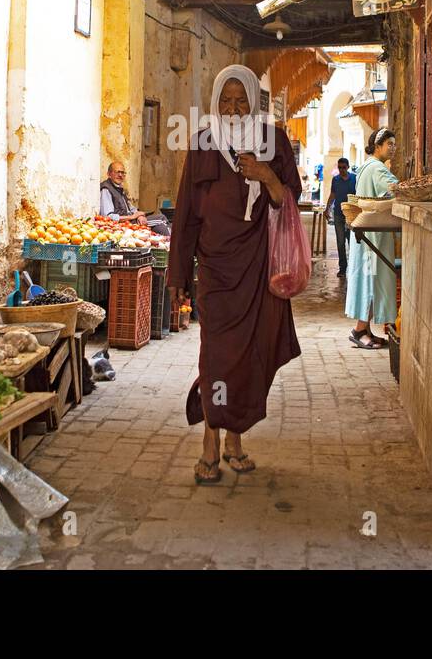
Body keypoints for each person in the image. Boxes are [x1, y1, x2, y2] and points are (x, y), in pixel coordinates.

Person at [167, 65, 301, 485]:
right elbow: (186, 215)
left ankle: (234, 441)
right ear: (214, 103)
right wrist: (177, 276)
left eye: (241, 99)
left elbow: (290, 199)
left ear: (254, 102)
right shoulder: (203, 143)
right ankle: (211, 439)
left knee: (249, 355)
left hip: (258, 268)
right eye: (225, 100)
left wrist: (267, 176)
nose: (233, 108)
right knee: (217, 354)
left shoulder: (273, 140)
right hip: (216, 271)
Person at [345, 129, 400, 349]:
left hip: (368, 233)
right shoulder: (377, 168)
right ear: (377, 145)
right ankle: (359, 330)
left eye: (395, 144)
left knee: (369, 279)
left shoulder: (367, 166)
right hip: (373, 236)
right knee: (370, 280)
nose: (393, 148)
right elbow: (395, 189)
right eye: (390, 144)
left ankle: (365, 329)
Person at [99, 161, 171, 235]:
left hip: (131, 220)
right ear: (109, 174)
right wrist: (132, 217)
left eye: (123, 173)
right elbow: (107, 216)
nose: (120, 175)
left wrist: (139, 215)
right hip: (123, 225)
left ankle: (168, 243)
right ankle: (172, 243)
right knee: (161, 219)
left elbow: (131, 208)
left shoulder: (119, 189)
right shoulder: (106, 189)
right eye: (117, 172)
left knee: (160, 223)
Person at [325, 157, 357, 277]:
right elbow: (332, 194)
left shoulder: (354, 178)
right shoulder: (336, 180)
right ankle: (342, 268)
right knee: (340, 242)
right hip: (338, 214)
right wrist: (327, 208)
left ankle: (353, 267)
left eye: (344, 167)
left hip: (351, 214)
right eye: (339, 168)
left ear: (348, 167)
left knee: (351, 241)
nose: (342, 170)